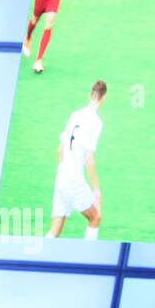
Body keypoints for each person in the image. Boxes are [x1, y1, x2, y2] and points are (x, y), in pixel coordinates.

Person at [44, 80, 106, 240]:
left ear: (89, 95)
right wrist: (97, 190)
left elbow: (60, 149)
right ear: (103, 98)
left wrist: (64, 173)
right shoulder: (96, 123)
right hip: (73, 180)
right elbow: (89, 160)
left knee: (54, 230)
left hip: (61, 176)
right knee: (95, 218)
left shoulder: (75, 114)